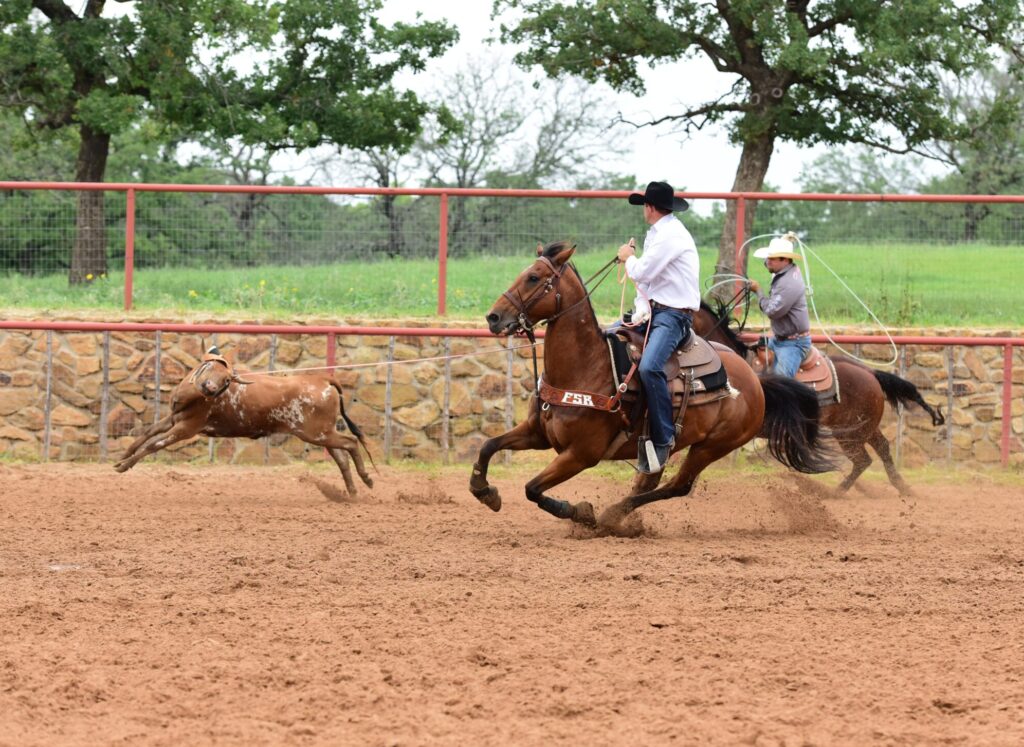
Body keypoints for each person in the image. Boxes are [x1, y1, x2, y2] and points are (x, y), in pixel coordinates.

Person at [616, 181, 700, 474]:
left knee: (650, 366)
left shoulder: (670, 235)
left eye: (644, 205)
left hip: (674, 316)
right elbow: (647, 284)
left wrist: (628, 258)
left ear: (649, 207)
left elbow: (642, 272)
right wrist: (640, 311)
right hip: (655, 312)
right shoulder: (659, 233)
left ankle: (664, 439)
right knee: (609, 338)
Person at [748, 233, 811, 377]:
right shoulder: (784, 269)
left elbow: (772, 311)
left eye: (771, 258)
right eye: (768, 257)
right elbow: (769, 264)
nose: (767, 261)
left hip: (793, 344)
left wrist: (758, 291)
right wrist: (783, 241)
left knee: (779, 384)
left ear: (784, 260)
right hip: (780, 339)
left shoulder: (789, 284)